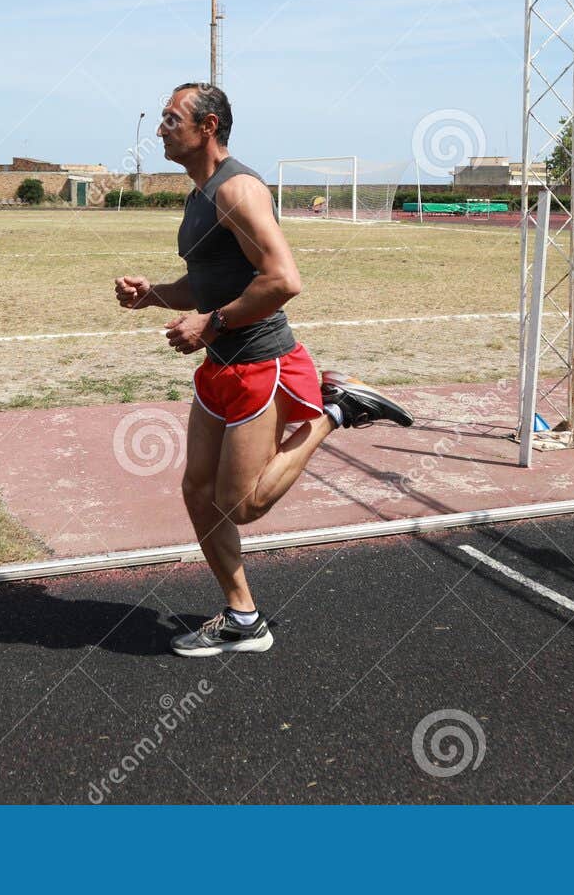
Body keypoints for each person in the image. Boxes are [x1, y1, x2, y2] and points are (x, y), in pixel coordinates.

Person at [115, 82, 412, 657]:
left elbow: (283, 280)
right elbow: (207, 285)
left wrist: (212, 324)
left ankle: (335, 412)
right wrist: (153, 296)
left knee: (242, 503)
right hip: (221, 366)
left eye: (171, 119)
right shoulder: (199, 194)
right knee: (199, 493)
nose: (159, 130)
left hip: (261, 363)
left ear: (209, 127)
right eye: (161, 119)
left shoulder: (237, 190)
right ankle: (243, 617)